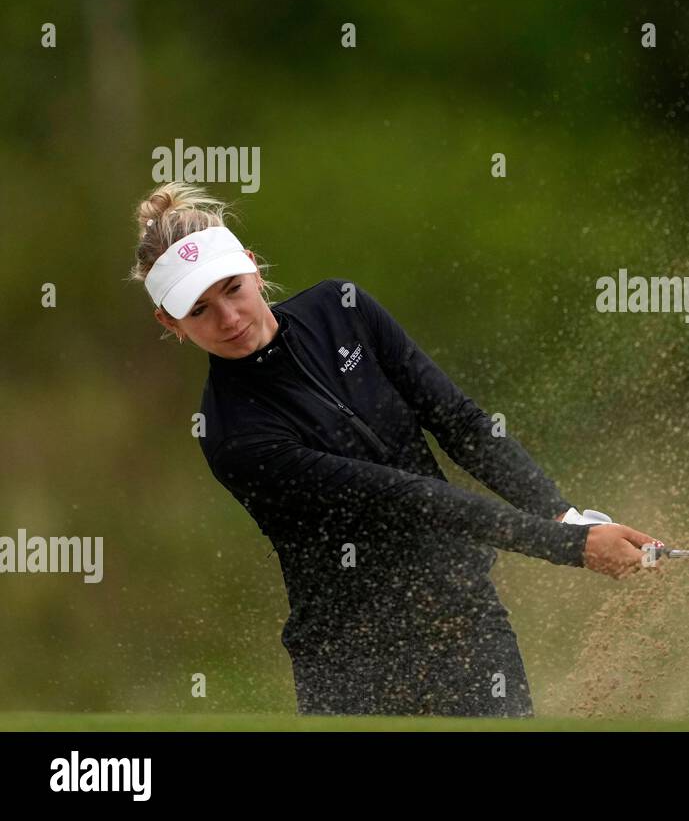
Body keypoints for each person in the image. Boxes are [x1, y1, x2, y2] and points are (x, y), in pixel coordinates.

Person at [127, 182, 661, 717]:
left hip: (465, 617)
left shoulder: (342, 308)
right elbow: (408, 498)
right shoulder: (231, 433)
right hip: (352, 665)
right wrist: (570, 546)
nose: (229, 318)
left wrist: (562, 514)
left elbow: (461, 423)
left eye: (232, 288)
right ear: (169, 323)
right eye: (199, 311)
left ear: (252, 266)